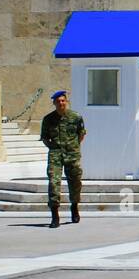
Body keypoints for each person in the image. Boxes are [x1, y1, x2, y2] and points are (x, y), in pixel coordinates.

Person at [40, 90, 85, 228]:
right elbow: (44, 137)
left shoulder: (76, 117)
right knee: (54, 182)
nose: (61, 103)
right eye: (58, 101)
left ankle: (74, 205)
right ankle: (55, 215)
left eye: (63, 101)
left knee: (75, 181)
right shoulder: (48, 119)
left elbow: (81, 134)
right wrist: (54, 148)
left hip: (72, 154)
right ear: (54, 103)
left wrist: (73, 146)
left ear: (66, 101)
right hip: (56, 155)